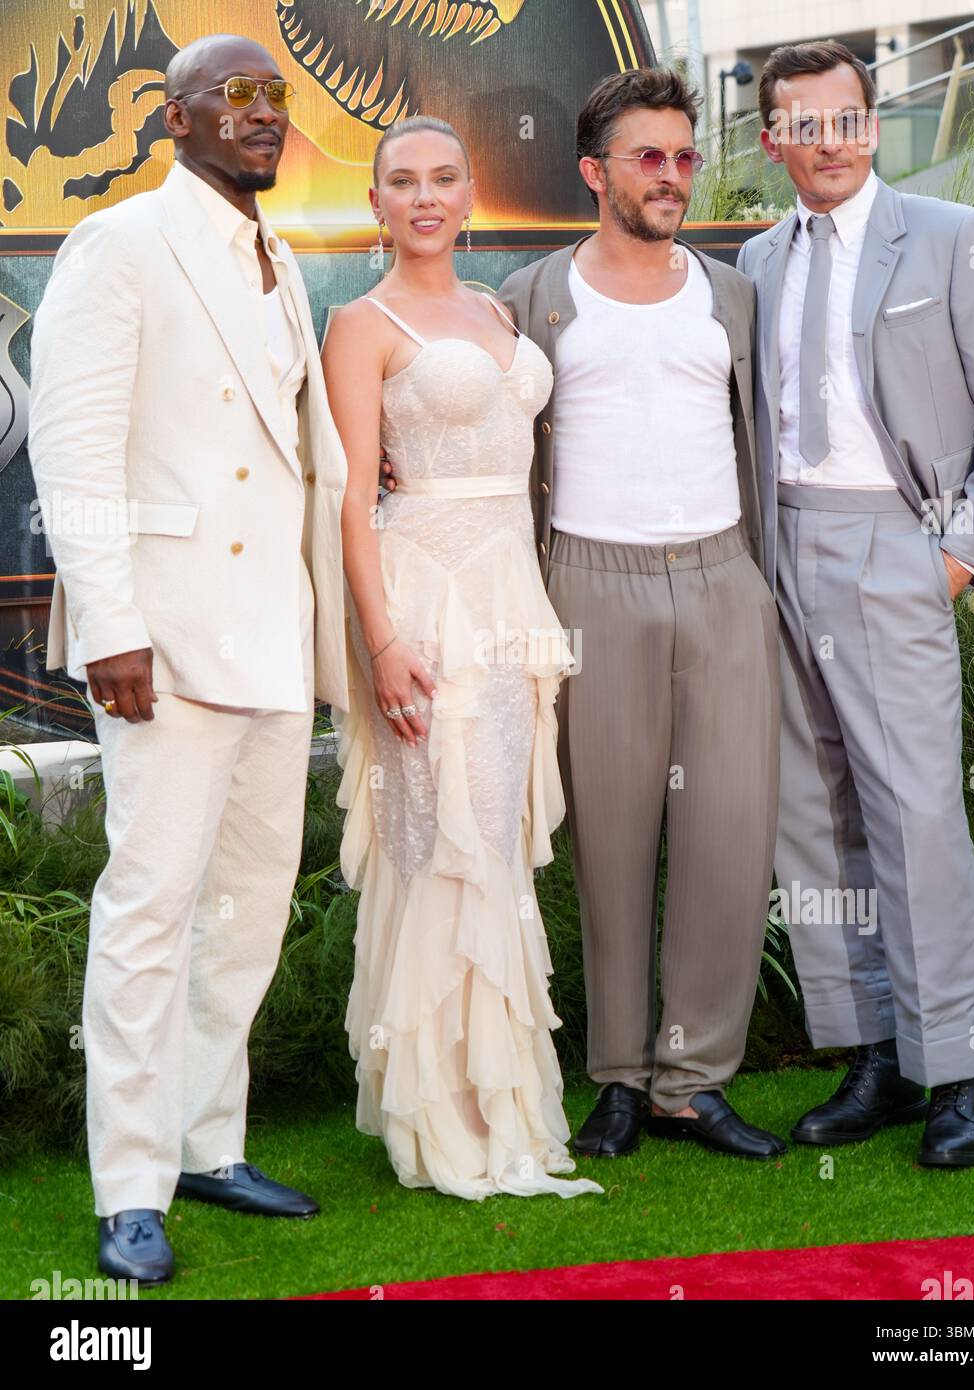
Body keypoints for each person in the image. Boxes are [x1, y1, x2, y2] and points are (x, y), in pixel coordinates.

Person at [28, 34, 350, 1284]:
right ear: (178, 118)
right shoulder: (121, 242)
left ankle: (210, 1141)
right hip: (161, 638)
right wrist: (107, 621)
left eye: (279, 97)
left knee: (249, 908)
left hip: (271, 633)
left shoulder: (277, 256)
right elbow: (75, 443)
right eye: (240, 95)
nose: (266, 115)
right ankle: (128, 1186)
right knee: (153, 909)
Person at [737, 40, 974, 1166]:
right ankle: (868, 1049)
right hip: (781, 548)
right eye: (801, 125)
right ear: (771, 138)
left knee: (917, 816)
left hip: (899, 546)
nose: (826, 143)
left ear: (874, 126)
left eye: (845, 121)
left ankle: (953, 1069)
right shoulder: (758, 257)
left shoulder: (951, 239)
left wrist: (959, 561)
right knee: (814, 823)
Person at [497, 68, 786, 1161]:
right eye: (647, 158)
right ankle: (618, 1076)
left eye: (682, 155)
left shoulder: (733, 294)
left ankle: (694, 1080)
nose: (671, 177)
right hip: (586, 581)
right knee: (609, 839)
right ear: (593, 173)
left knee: (727, 835)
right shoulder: (529, 298)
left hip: (721, 579)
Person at [322, 114, 604, 1201]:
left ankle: (503, 1101)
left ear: (470, 193)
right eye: (404, 181)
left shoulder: (494, 310)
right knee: (436, 835)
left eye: (444, 178)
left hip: (509, 597)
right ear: (378, 203)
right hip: (425, 600)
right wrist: (380, 637)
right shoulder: (361, 321)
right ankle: (437, 1110)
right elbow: (350, 495)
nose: (425, 196)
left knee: (490, 833)